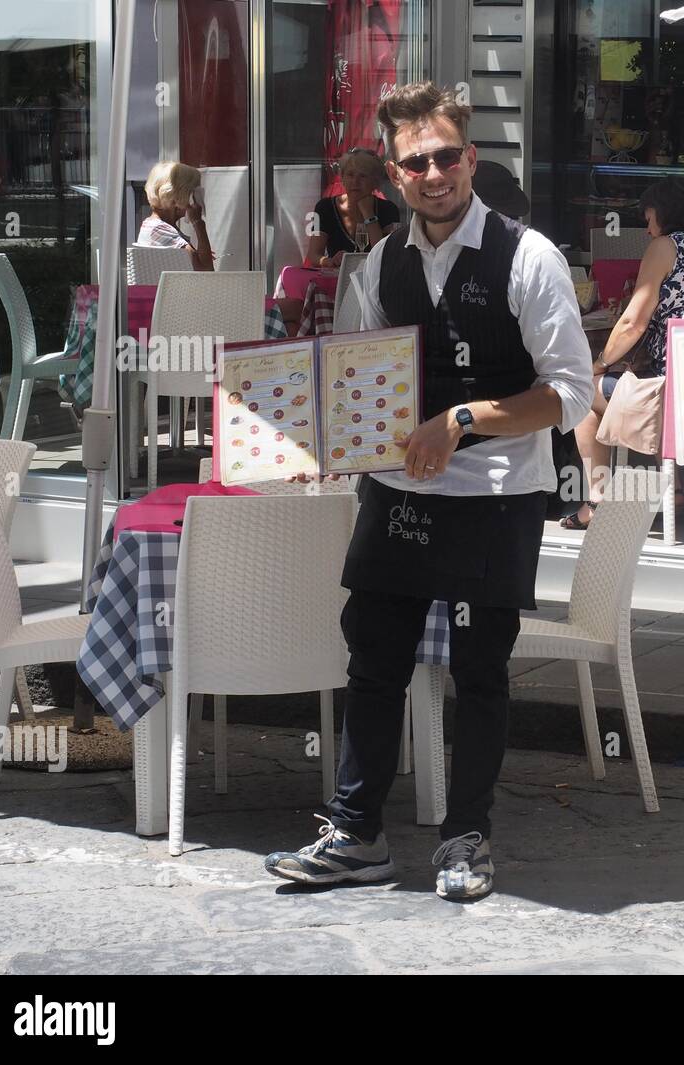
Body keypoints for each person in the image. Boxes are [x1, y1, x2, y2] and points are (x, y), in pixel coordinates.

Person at [264, 83, 592, 899]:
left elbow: (573, 393)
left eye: (448, 156)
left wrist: (465, 418)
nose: (436, 172)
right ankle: (356, 832)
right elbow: (356, 381)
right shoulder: (378, 265)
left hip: (497, 496)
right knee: (372, 660)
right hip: (397, 495)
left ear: (471, 159)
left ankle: (466, 837)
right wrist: (326, 442)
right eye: (417, 162)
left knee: (480, 670)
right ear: (395, 178)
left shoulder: (529, 256)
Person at [563, 177, 684, 530]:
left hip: (667, 396)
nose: (648, 230)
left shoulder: (666, 246)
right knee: (598, 397)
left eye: (649, 219)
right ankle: (674, 490)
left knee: (582, 393)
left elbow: (633, 322)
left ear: (665, 215)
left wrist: (599, 363)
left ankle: (597, 501)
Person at [305, 147, 402, 268]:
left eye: (363, 176)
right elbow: (313, 255)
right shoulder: (324, 207)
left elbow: (384, 254)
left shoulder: (389, 209)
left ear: (374, 181)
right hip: (338, 278)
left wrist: (368, 214)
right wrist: (330, 261)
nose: (355, 182)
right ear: (343, 178)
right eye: (350, 174)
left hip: (374, 279)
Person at [138, 161, 214, 271]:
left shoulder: (157, 225)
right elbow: (206, 272)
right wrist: (198, 223)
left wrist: (202, 253)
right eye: (194, 193)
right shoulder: (159, 229)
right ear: (178, 195)